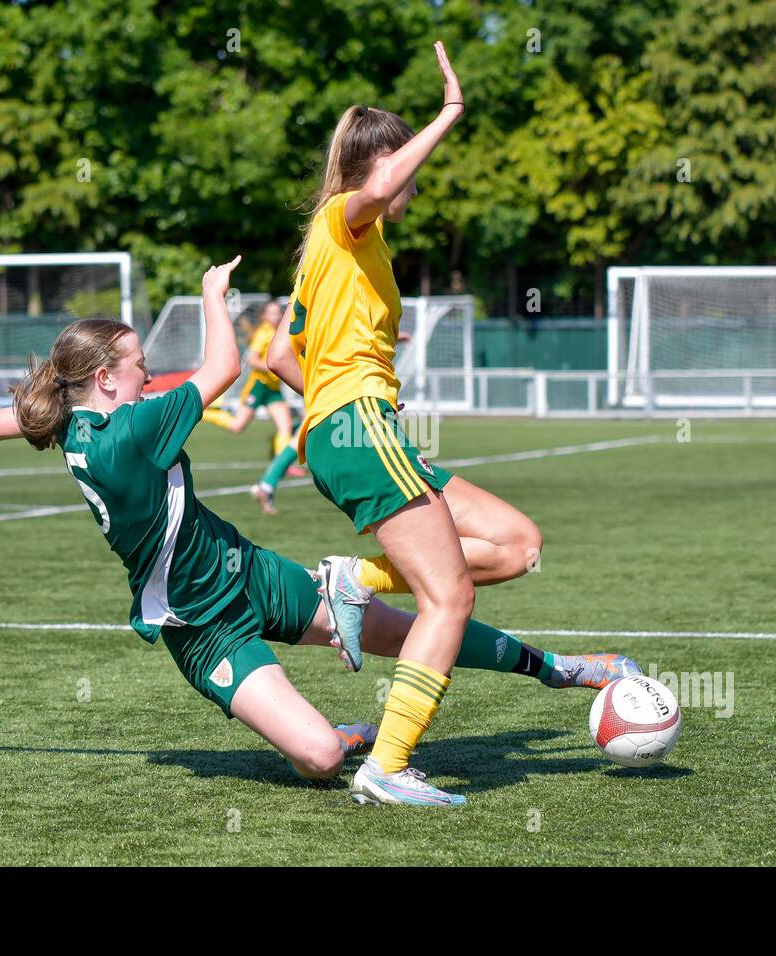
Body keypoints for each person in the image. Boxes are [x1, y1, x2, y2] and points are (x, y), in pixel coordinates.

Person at [0, 256, 642, 807]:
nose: (150, 370)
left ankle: (562, 670)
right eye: (140, 362)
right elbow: (220, 371)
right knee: (319, 759)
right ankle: (357, 738)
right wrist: (215, 299)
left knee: (428, 615)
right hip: (200, 624)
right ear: (107, 378)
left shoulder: (77, 419)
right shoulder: (131, 431)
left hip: (244, 570)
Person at [266, 42, 547, 803]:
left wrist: (331, 410)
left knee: (518, 546)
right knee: (450, 597)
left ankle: (352, 581)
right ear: (378, 166)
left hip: (360, 430)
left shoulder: (358, 249)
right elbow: (381, 180)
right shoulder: (340, 221)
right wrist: (450, 111)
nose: (413, 182)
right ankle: (386, 768)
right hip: (359, 429)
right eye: (403, 167)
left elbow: (282, 357)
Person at [197, 298, 306, 514]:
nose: (276, 316)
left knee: (285, 428)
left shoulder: (282, 333)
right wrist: (273, 366)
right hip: (257, 387)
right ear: (265, 316)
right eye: (272, 313)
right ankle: (206, 412)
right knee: (237, 426)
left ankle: (283, 464)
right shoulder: (264, 333)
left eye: (278, 312)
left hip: (273, 390)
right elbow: (252, 359)